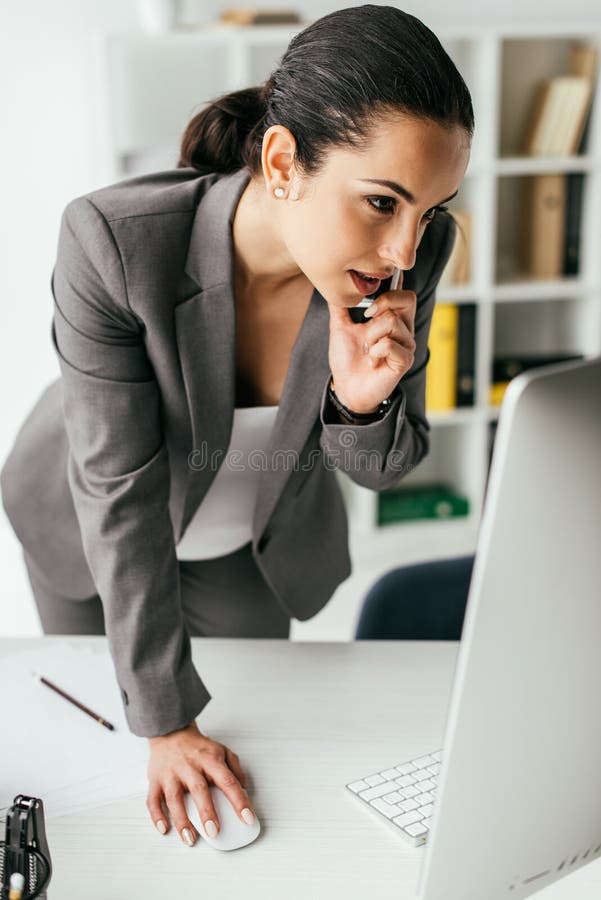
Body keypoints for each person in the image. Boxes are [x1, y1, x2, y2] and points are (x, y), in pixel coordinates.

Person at [0, 4, 472, 849]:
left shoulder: (409, 257)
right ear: (284, 160)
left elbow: (379, 466)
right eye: (379, 201)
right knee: (106, 751)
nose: (404, 250)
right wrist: (167, 721)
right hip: (96, 526)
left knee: (260, 757)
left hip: (254, 542)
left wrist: (359, 401)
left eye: (430, 210)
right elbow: (120, 487)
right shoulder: (113, 240)